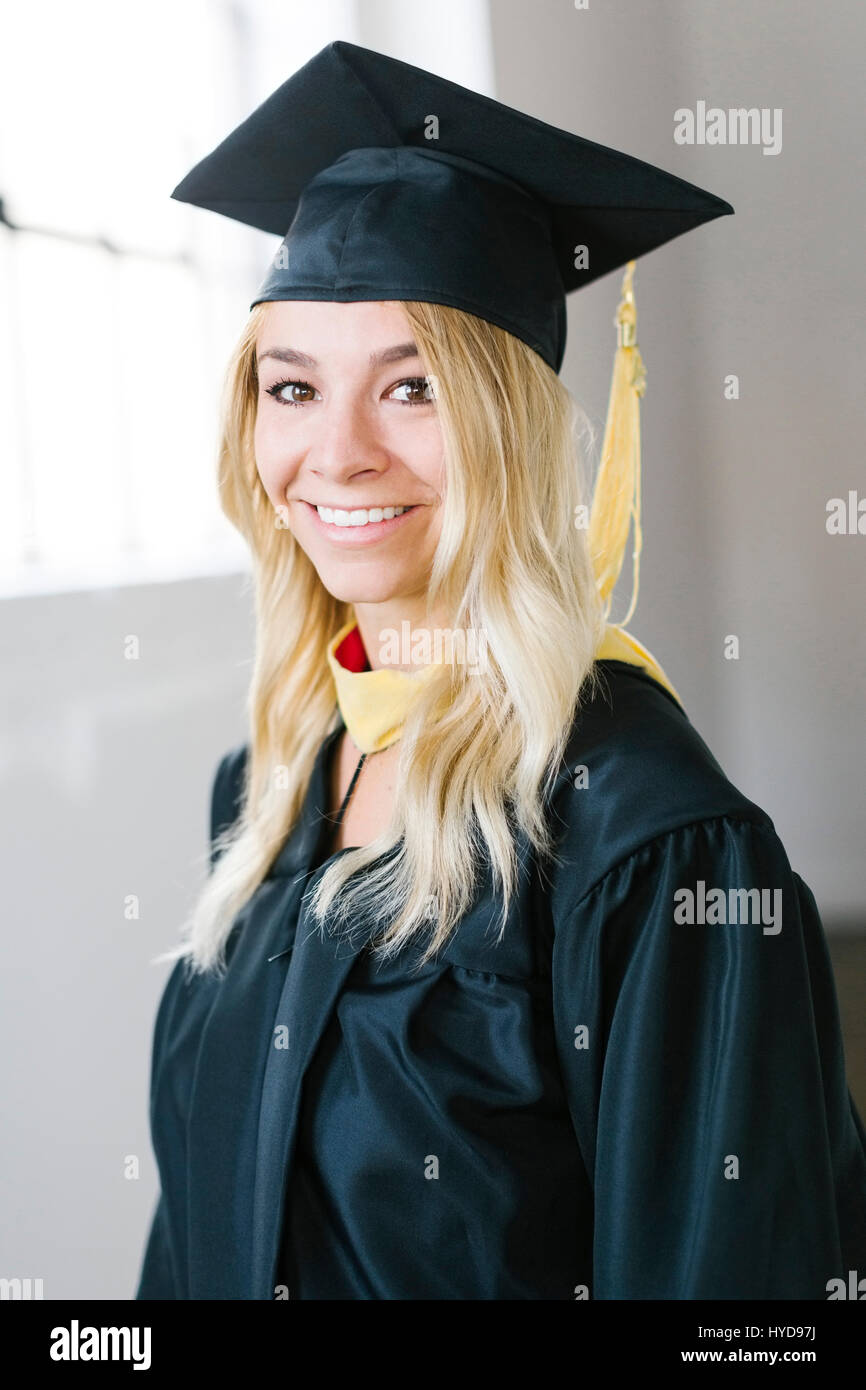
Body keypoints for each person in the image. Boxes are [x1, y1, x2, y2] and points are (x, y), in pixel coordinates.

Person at [135, 41, 866, 1300]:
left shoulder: (647, 840)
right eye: (292, 386)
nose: (339, 452)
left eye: (410, 387)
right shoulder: (263, 796)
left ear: (506, 425)